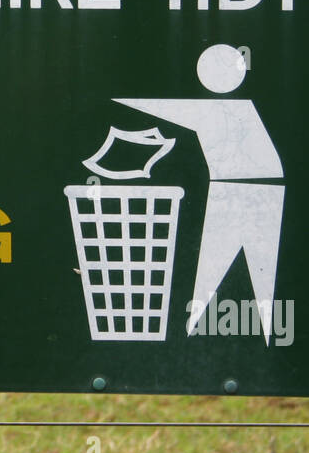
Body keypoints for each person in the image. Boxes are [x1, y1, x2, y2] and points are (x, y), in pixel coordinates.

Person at [117, 44, 284, 344]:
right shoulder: (237, 108)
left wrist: (126, 99)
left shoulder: (225, 109)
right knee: (232, 268)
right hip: (253, 186)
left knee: (225, 268)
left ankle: (241, 331)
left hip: (243, 189)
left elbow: (176, 110)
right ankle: (214, 327)